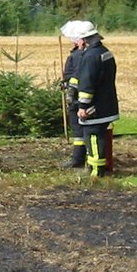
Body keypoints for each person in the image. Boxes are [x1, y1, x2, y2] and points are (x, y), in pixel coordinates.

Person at [70, 20, 119, 177]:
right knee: (97, 136)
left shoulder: (90, 56)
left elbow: (87, 83)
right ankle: (93, 168)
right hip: (107, 104)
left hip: (95, 107)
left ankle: (97, 171)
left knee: (93, 137)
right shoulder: (104, 52)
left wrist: (83, 107)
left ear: (84, 40)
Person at [59, 21, 86, 168]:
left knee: (78, 129)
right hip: (77, 96)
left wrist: (70, 90)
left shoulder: (78, 55)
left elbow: (75, 76)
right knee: (79, 129)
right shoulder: (79, 54)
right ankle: (81, 157)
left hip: (77, 97)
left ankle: (78, 159)